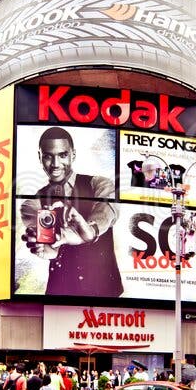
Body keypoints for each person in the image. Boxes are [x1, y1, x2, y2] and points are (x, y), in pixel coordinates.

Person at [18, 127, 123, 297]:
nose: (56, 164)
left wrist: (90, 230)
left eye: (62, 155)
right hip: (60, 297)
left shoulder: (100, 184)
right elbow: (43, 238)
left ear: (73, 154)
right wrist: (50, 250)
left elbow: (106, 209)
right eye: (48, 156)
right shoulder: (33, 202)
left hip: (107, 296)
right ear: (40, 157)